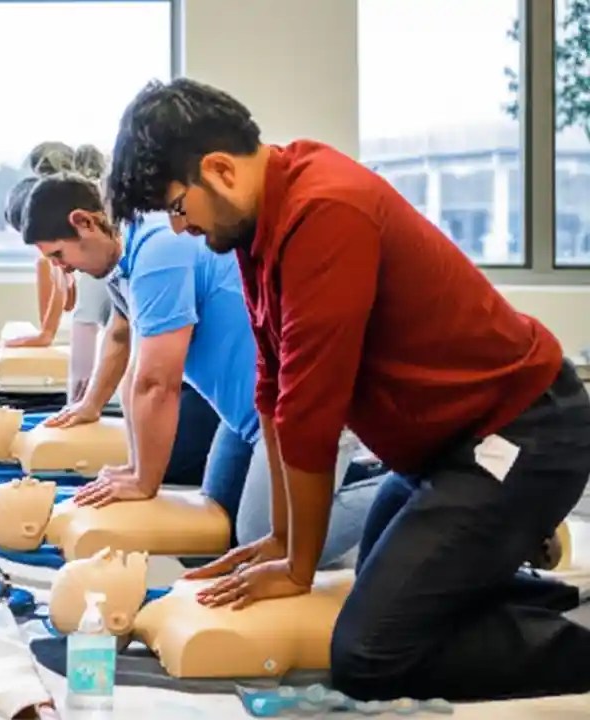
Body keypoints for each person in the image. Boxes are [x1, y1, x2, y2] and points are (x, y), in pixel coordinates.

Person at [105, 77, 590, 702]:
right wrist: (281, 541)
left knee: (370, 653)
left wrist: (298, 567)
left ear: (219, 169)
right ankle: (518, 567)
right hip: (444, 448)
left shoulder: (324, 208)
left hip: (521, 433)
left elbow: (311, 414)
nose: (179, 228)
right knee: (377, 580)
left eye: (176, 206)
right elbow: (274, 387)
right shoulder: (258, 224)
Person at [11, 150, 378, 557]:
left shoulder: (157, 250)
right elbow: (119, 337)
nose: (63, 269)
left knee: (262, 536)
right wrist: (91, 408)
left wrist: (145, 480)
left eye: (60, 256)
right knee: (220, 518)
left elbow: (156, 382)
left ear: (84, 221)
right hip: (249, 413)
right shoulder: (124, 257)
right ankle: (345, 476)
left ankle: (406, 490)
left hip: (303, 405)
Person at [2, 142, 116, 404]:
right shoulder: (68, 248)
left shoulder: (93, 254)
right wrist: (46, 333)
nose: (54, 262)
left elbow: (86, 320)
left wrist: (80, 404)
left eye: (55, 255)